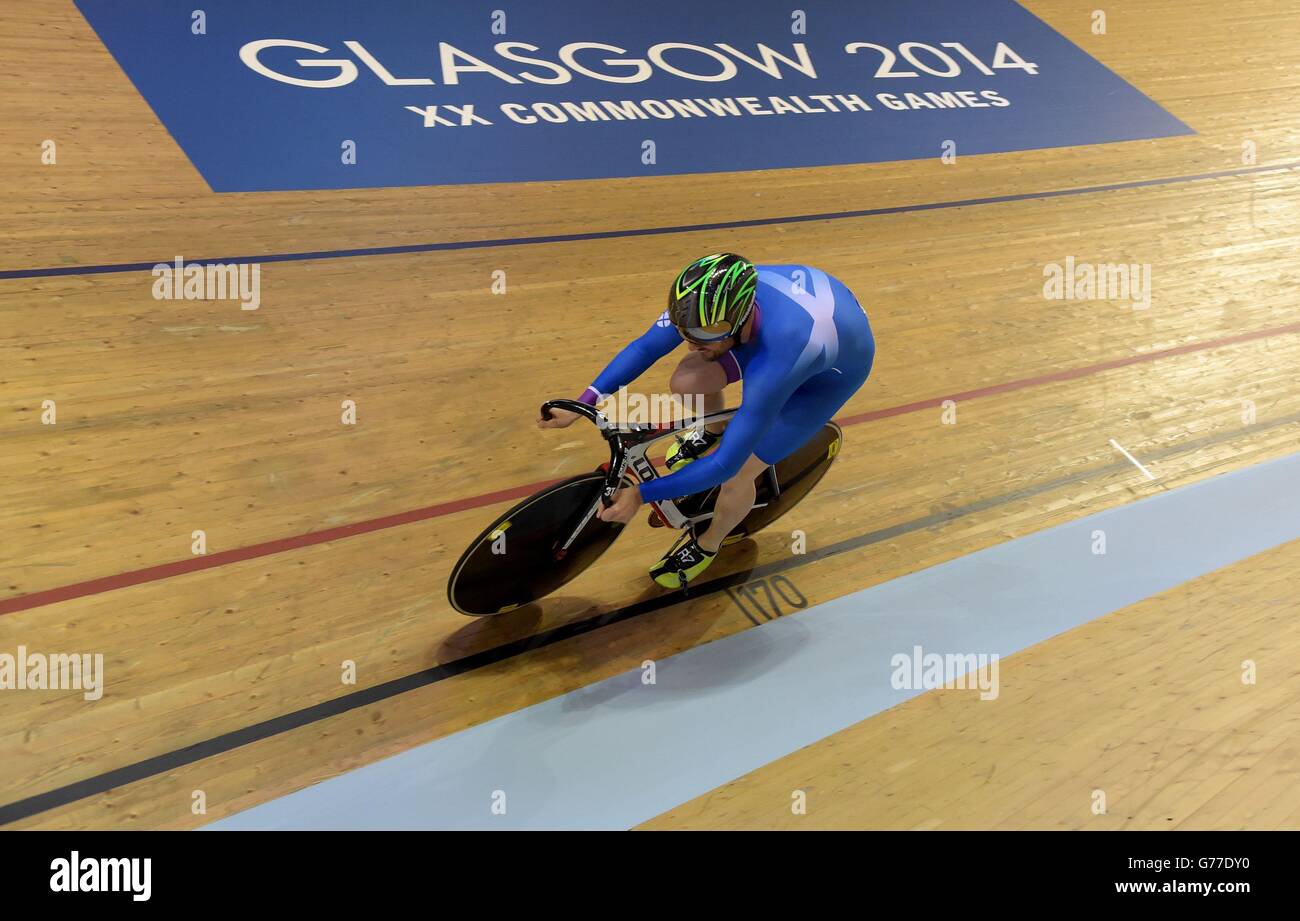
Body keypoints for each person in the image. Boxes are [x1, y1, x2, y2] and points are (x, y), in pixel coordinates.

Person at [538, 253, 874, 588]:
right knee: (688, 381)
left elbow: (725, 466)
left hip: (825, 375)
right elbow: (645, 348)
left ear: (740, 319)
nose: (688, 343)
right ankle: (713, 431)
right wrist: (582, 402)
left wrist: (641, 495)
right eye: (687, 331)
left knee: (740, 471)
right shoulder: (706, 301)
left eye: (702, 334)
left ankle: (709, 543)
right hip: (778, 330)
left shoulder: (782, 352)